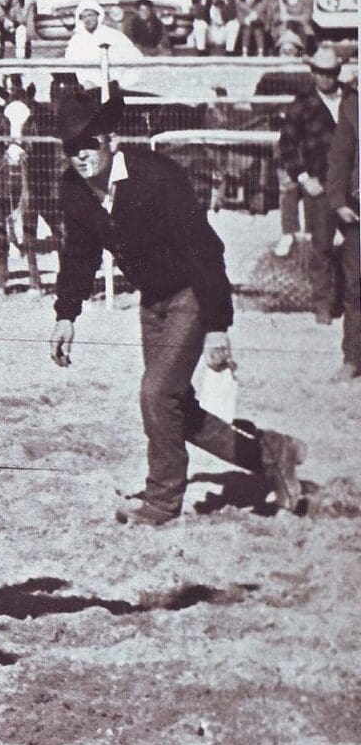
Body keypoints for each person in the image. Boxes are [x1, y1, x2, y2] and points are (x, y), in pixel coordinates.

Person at [48, 84, 307, 525]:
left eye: (89, 143)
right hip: (153, 303)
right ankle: (271, 453)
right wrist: (66, 315)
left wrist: (217, 324)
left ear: (112, 139)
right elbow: (79, 255)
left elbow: (204, 250)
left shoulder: (156, 176)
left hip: (191, 294)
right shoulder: (74, 189)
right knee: (175, 410)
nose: (80, 154)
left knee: (155, 394)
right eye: (71, 147)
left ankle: (162, 503)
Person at [275, 46, 352, 320]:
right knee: (321, 247)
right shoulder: (301, 105)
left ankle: (351, 301)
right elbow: (287, 145)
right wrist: (305, 178)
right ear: (313, 72)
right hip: (319, 186)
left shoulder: (353, 99)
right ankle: (323, 304)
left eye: (330, 73)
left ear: (338, 72)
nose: (325, 78)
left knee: (354, 246)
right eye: (320, 72)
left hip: (351, 186)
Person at [325, 85, 359, 379]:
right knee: (355, 284)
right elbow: (339, 157)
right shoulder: (352, 106)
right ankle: (353, 357)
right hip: (358, 211)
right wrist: (338, 202)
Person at [64, 1, 142, 86]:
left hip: (115, 89)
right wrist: (83, 82)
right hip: (86, 89)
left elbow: (136, 59)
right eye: (83, 17)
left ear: (98, 16)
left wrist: (123, 83)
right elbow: (70, 66)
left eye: (90, 15)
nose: (87, 19)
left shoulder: (114, 35)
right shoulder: (75, 41)